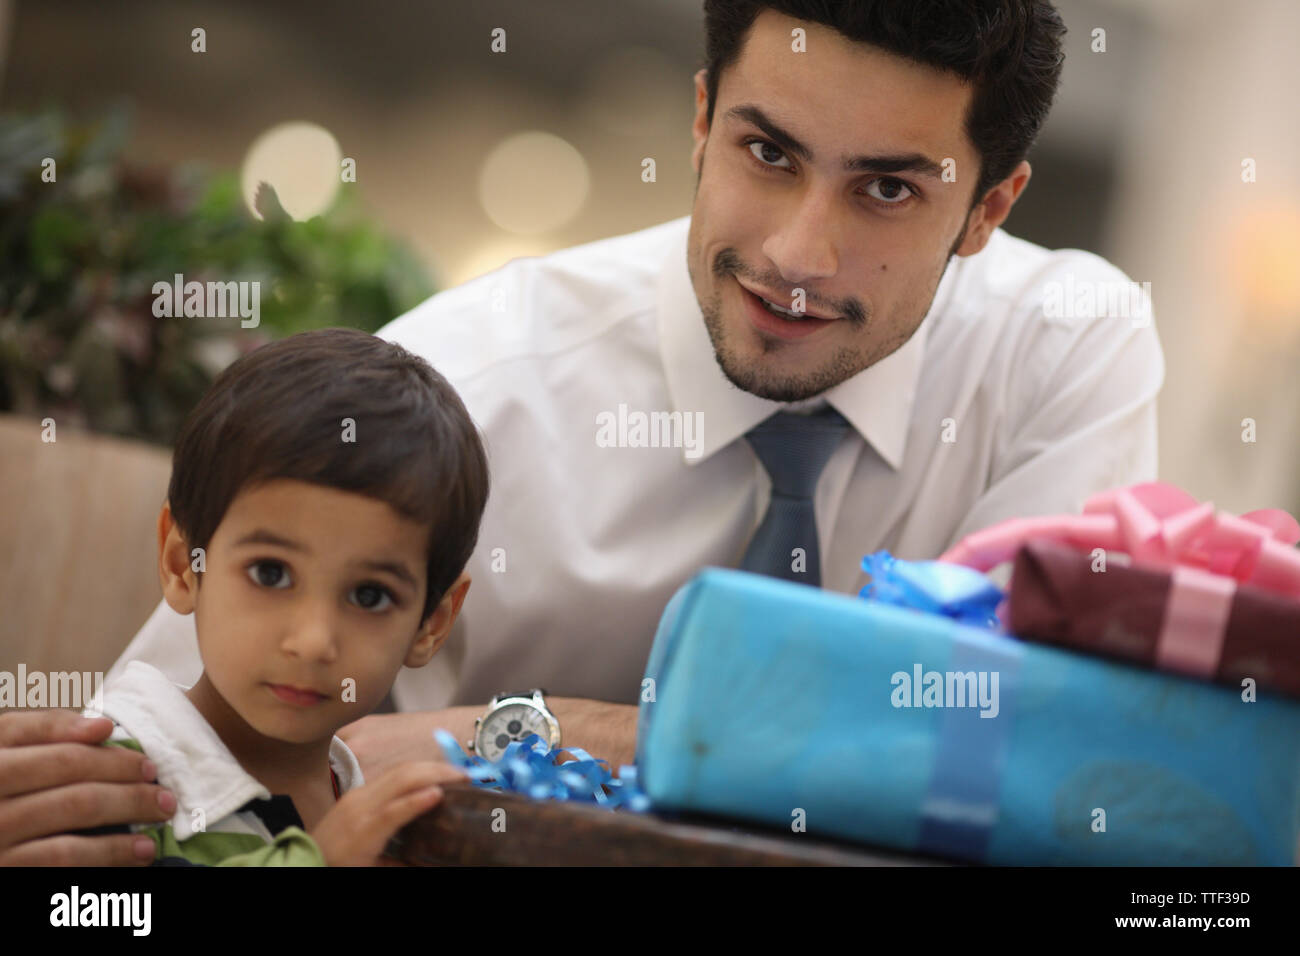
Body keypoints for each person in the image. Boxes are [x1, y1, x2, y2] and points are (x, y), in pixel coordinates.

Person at [1, 0, 1164, 865]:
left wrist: (532, 729)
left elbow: (1027, 751)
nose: (800, 255)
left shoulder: (1060, 346)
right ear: (702, 118)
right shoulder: (466, 379)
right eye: (768, 153)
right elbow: (160, 769)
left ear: (989, 209)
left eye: (888, 190)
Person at [13, 329, 487, 865]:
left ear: (431, 622)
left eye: (370, 595)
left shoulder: (382, 813)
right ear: (181, 565)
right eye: (270, 573)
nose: (312, 642)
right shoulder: (113, 779)